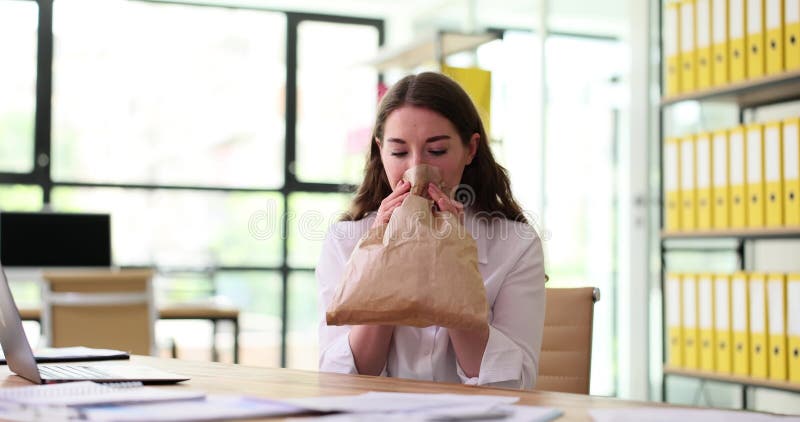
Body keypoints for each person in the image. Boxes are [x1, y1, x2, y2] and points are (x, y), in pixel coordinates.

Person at [316, 71, 546, 389]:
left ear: (470, 149)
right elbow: (339, 380)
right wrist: (384, 259)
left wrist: (451, 263)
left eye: (436, 151)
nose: (416, 168)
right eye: (398, 152)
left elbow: (512, 384)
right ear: (380, 151)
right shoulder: (345, 241)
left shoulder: (516, 246)